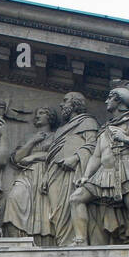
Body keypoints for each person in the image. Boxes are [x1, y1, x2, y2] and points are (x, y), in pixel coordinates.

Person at [68, 84, 129, 255]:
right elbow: (96, 156)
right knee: (76, 198)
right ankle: (80, 241)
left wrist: (128, 138)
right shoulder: (106, 127)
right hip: (104, 172)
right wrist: (86, 176)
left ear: (119, 101)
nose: (106, 101)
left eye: (109, 98)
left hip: (127, 167)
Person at [36, 92, 100, 245]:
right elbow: (52, 155)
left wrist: (75, 157)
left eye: (65, 101)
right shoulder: (60, 130)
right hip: (54, 172)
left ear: (75, 104)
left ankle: (78, 242)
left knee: (72, 204)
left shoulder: (88, 122)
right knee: (57, 213)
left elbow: (94, 145)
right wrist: (45, 175)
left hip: (74, 170)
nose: (61, 104)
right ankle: (63, 245)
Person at [0, 106, 56, 238]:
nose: (37, 116)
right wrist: (32, 141)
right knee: (14, 197)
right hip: (27, 174)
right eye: (36, 114)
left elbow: (59, 156)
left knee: (44, 209)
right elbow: (16, 158)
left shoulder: (57, 136)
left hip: (47, 174)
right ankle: (15, 239)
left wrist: (35, 156)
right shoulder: (29, 137)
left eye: (41, 113)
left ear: (50, 117)